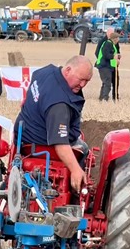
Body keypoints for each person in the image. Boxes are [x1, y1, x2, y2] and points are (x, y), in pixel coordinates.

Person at [14, 55, 93, 193]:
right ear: (68, 70)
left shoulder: (45, 72)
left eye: (87, 81)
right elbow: (60, 144)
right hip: (43, 145)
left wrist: (28, 101)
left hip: (24, 140)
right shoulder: (59, 105)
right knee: (84, 148)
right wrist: (75, 170)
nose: (82, 85)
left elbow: (33, 88)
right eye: (80, 80)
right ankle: (76, 192)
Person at [95, 31, 120, 102]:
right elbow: (106, 55)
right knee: (107, 84)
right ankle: (105, 99)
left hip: (108, 66)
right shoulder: (107, 44)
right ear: (114, 39)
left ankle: (101, 98)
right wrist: (113, 56)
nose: (119, 40)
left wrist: (117, 57)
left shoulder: (112, 44)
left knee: (105, 82)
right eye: (118, 38)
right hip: (104, 66)